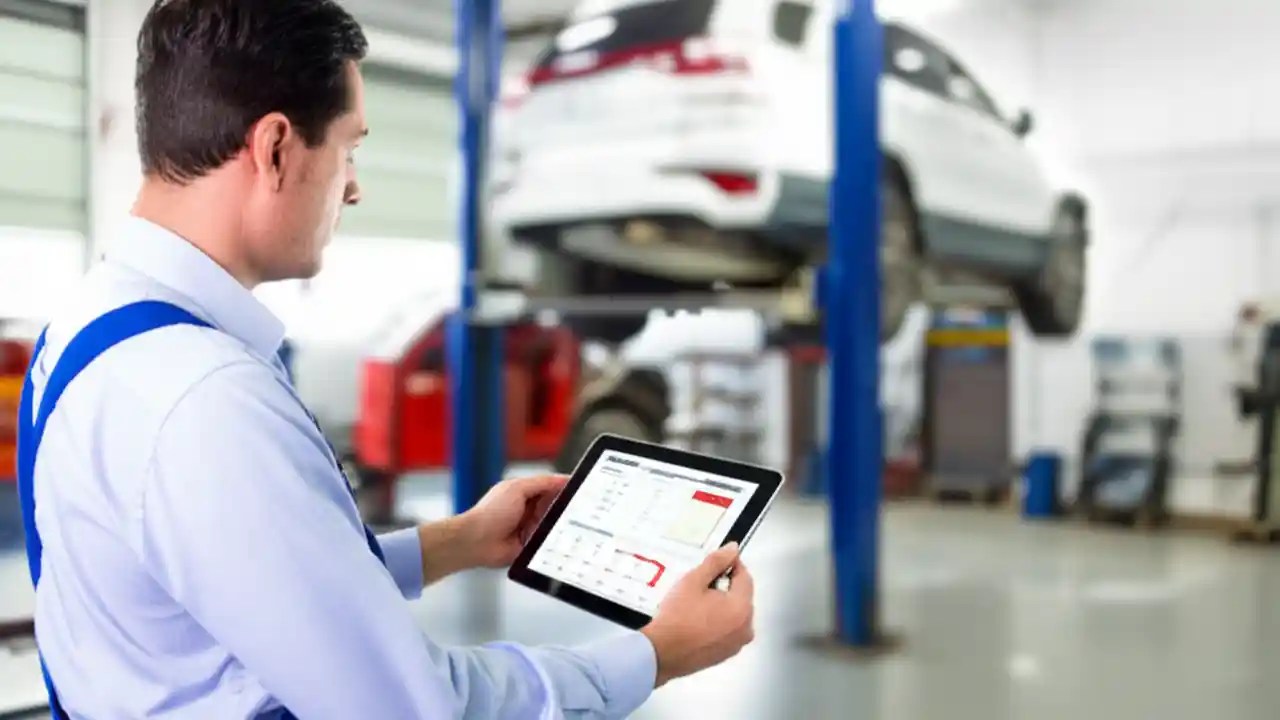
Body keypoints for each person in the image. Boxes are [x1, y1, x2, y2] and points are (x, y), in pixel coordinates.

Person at [16, 0, 756, 717]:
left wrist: (456, 542)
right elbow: (418, 707)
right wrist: (659, 653)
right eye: (349, 149)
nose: (356, 187)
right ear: (275, 149)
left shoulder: (89, 324)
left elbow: (250, 580)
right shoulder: (208, 399)